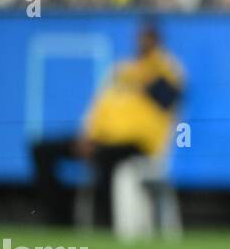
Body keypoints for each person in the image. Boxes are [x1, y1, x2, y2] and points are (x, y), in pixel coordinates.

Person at [31, 21, 186, 228]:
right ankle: (59, 219)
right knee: (41, 149)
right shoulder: (121, 71)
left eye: (149, 39)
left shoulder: (167, 71)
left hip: (140, 144)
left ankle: (108, 223)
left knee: (104, 159)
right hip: (101, 140)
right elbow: (99, 106)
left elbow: (168, 99)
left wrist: (150, 70)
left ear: (158, 42)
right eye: (141, 38)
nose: (143, 44)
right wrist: (86, 136)